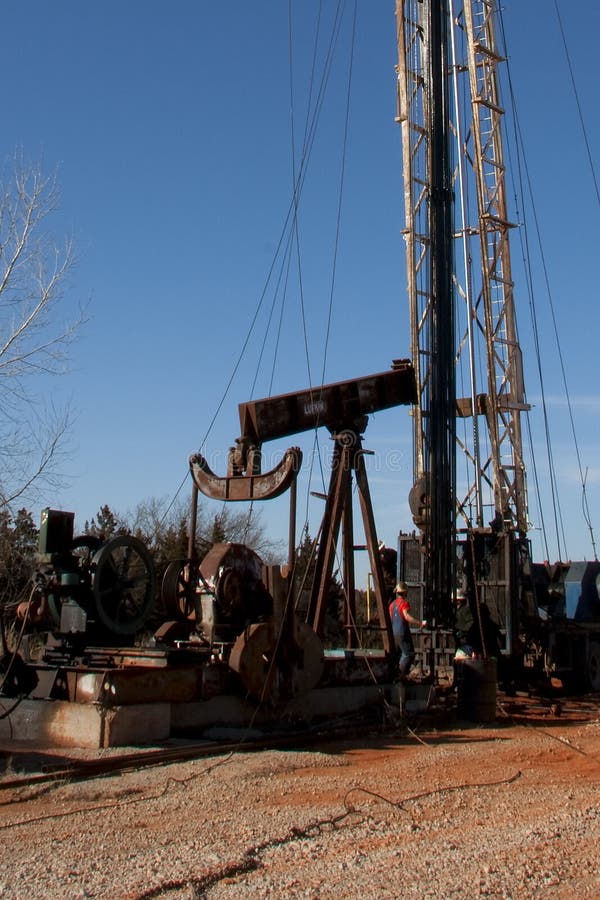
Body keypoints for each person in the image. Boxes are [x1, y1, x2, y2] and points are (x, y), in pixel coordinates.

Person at [389, 581, 426, 679]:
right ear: (405, 592)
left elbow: (391, 618)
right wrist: (419, 623)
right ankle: (401, 676)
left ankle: (395, 675)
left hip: (394, 633)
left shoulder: (392, 605)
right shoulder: (404, 603)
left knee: (398, 655)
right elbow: (406, 616)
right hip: (402, 632)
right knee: (408, 654)